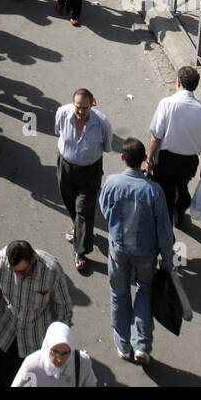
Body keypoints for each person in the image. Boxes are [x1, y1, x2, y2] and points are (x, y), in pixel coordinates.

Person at [98, 138, 174, 364]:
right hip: (146, 253)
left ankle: (123, 345)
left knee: (119, 292)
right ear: (144, 159)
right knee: (145, 290)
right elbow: (164, 227)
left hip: (119, 249)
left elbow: (105, 209)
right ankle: (141, 344)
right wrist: (168, 258)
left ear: (123, 158)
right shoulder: (154, 190)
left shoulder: (112, 183)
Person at [0, 239, 73, 389]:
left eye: (22, 272)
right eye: (13, 271)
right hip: (5, 334)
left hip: (34, 342)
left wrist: (60, 344)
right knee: (2, 380)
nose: (17, 276)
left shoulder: (52, 271)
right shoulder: (0, 261)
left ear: (33, 260)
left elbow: (64, 309)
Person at [146, 66, 201, 230]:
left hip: (166, 159)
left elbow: (156, 136)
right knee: (182, 185)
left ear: (178, 82)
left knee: (166, 191)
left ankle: (166, 224)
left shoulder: (167, 104)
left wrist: (149, 158)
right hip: (190, 161)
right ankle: (180, 210)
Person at [55, 88, 113, 274]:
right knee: (70, 203)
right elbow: (58, 132)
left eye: (85, 108)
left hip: (90, 172)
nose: (80, 111)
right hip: (65, 168)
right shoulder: (62, 113)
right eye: (78, 107)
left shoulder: (101, 123)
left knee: (84, 210)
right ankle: (78, 229)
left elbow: (107, 146)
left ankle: (80, 251)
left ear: (92, 104)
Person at [11, 321, 97, 388]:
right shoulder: (32, 364)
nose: (59, 359)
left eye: (65, 353)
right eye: (55, 352)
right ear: (47, 346)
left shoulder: (81, 362)